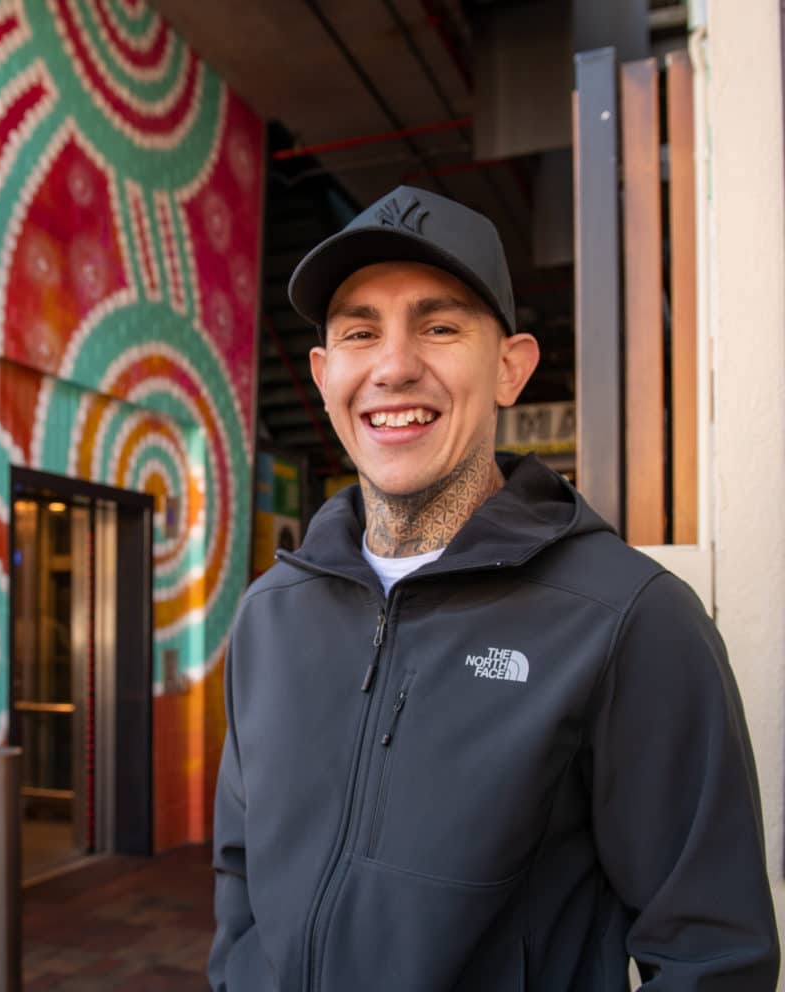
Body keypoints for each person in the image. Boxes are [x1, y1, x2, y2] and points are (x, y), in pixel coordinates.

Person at [209, 186, 779, 990]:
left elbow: (715, 960)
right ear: (323, 372)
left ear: (511, 367)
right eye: (359, 332)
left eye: (439, 327)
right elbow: (240, 873)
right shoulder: (270, 614)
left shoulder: (626, 622)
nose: (394, 365)